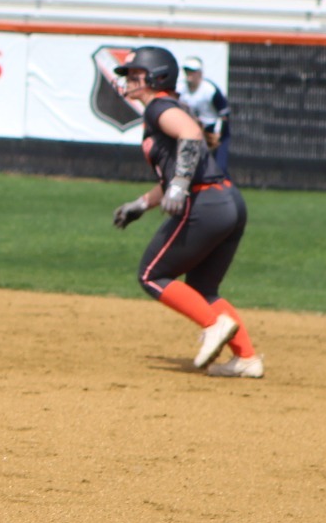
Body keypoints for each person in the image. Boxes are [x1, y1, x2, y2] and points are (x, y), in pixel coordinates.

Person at [110, 45, 262, 378]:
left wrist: (179, 184)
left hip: (205, 203)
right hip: (227, 201)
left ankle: (213, 324)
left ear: (157, 77)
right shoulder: (162, 109)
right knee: (203, 289)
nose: (130, 81)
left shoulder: (159, 107)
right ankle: (247, 358)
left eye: (137, 75)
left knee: (151, 275)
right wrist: (141, 204)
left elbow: (192, 135)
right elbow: (180, 168)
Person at [177, 55, 230, 153]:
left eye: (193, 71)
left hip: (212, 128)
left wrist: (218, 133)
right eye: (187, 71)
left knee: (219, 165)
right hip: (193, 128)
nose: (189, 74)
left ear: (200, 73)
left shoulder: (210, 90)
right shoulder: (180, 88)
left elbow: (223, 113)